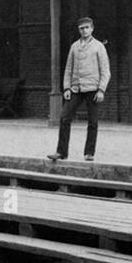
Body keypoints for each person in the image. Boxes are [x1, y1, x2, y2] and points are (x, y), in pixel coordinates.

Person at [47, 17, 110, 162]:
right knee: (64, 117)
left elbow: (105, 70)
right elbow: (69, 68)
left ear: (92, 28)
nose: (84, 30)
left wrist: (101, 90)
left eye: (87, 27)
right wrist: (67, 87)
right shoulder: (74, 46)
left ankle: (89, 153)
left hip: (93, 88)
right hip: (76, 88)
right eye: (81, 28)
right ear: (78, 30)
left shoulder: (99, 46)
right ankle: (61, 152)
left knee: (92, 121)